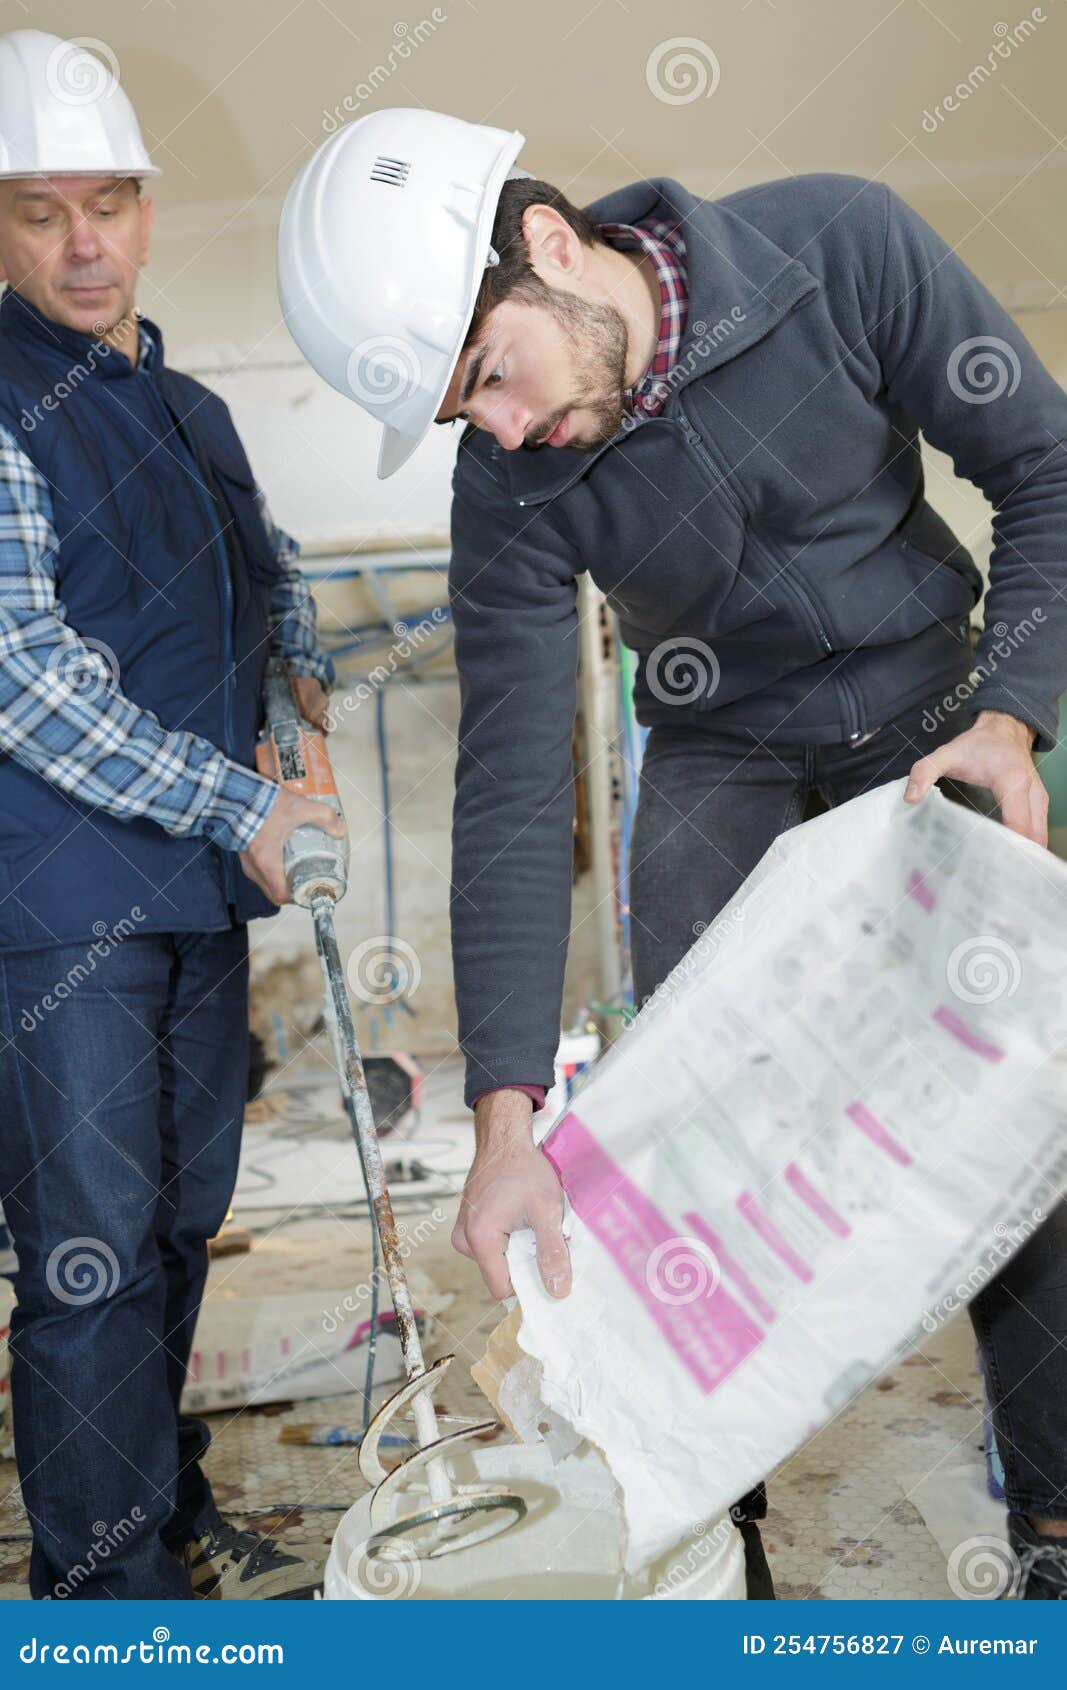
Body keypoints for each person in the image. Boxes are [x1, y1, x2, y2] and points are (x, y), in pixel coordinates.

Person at [280, 108, 1067, 1599]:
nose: (497, 431)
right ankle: (710, 1532)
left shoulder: (840, 244)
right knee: (686, 1131)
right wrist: (507, 1112)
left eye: (491, 377)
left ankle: (1060, 1524)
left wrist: (1015, 716)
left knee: (1010, 1110)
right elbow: (513, 777)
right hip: (723, 749)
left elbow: (1045, 462)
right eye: (465, 418)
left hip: (933, 709)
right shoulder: (507, 485)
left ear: (549, 245)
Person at [0, 30, 343, 1599]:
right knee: (88, 1253)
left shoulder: (196, 407)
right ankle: (102, 1590)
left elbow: (267, 593)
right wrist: (236, 798)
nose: (84, 244)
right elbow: (26, 676)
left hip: (203, 897)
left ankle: (160, 1503)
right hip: (59, 911)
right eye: (39, 210)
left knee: (178, 1230)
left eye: (111, 204)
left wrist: (306, 700)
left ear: (146, 211)